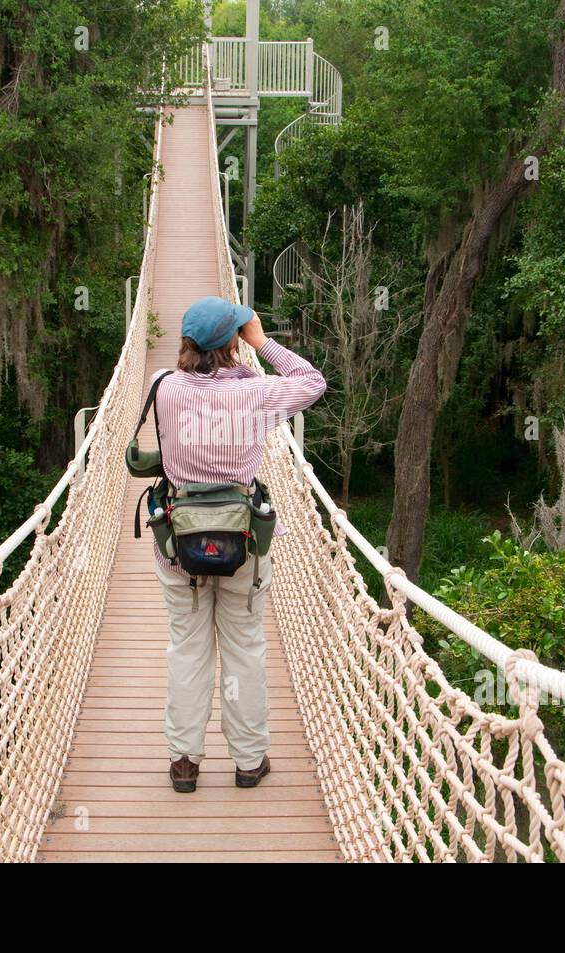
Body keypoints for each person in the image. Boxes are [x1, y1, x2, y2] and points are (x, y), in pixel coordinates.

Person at [150, 296, 325, 793]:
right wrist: (260, 342)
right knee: (244, 649)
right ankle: (249, 761)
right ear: (233, 342)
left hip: (178, 543)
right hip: (243, 539)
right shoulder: (257, 394)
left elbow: (187, 380)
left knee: (187, 649)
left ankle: (184, 762)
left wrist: (221, 345)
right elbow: (312, 382)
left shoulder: (161, 387)